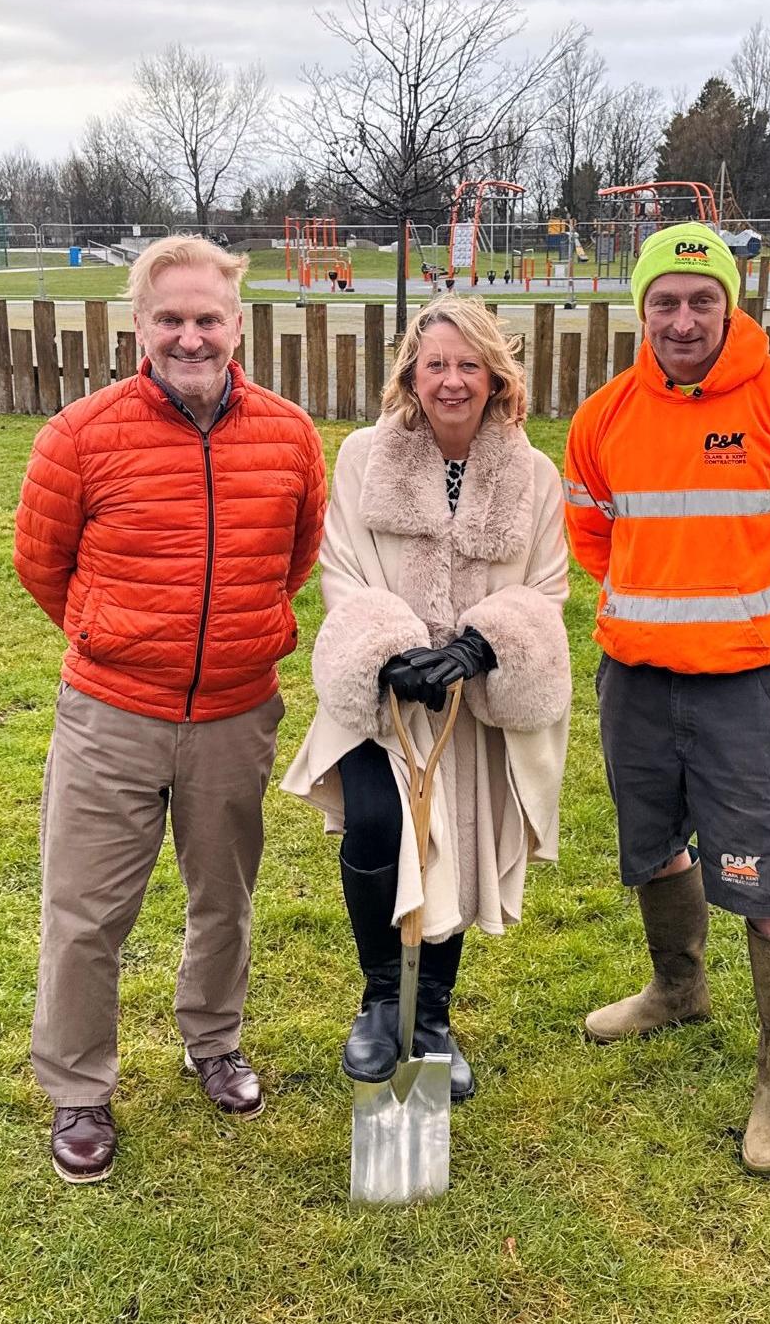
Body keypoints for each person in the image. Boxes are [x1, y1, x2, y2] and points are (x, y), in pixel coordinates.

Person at [13, 235, 327, 1183]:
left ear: (238, 324)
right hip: (113, 713)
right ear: (138, 326)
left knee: (222, 897)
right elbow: (43, 563)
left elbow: (298, 557)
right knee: (85, 910)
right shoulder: (79, 434)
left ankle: (214, 1040)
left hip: (236, 714)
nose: (190, 337)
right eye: (170, 320)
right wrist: (114, 635)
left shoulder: (289, 435)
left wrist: (235, 638)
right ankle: (78, 1087)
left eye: (207, 319)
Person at [563, 223, 770, 1174]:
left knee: (768, 869)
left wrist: (747, 618)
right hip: (638, 681)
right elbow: (592, 537)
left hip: (752, 684)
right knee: (651, 840)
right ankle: (677, 987)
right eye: (665, 301)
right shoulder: (604, 415)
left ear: (730, 304)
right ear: (640, 309)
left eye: (702, 300)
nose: (683, 318)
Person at [282, 295, 570, 1102]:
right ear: (412, 371)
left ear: (495, 376)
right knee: (379, 823)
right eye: (436, 363)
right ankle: (382, 1000)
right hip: (381, 698)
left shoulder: (533, 475)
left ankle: (432, 1018)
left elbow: (548, 588)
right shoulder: (365, 456)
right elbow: (341, 568)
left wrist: (482, 645)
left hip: (468, 708)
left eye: (468, 365)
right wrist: (392, 649)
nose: (451, 381)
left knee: (456, 848)